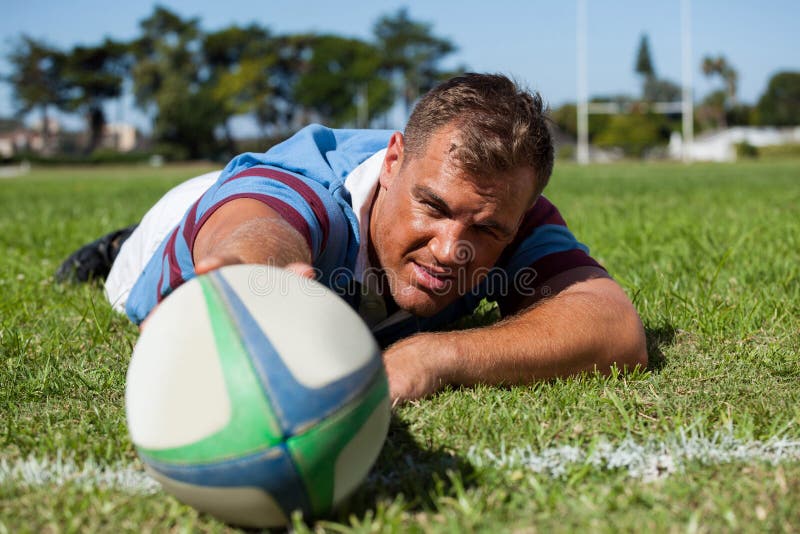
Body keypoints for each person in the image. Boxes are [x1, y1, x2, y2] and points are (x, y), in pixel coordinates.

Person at [58, 73, 647, 402]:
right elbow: (258, 224)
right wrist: (252, 274)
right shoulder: (307, 189)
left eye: (487, 229)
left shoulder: (504, 207)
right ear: (392, 162)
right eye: (432, 207)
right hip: (190, 210)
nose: (449, 248)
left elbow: (614, 327)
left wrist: (437, 354)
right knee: (202, 216)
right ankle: (117, 241)